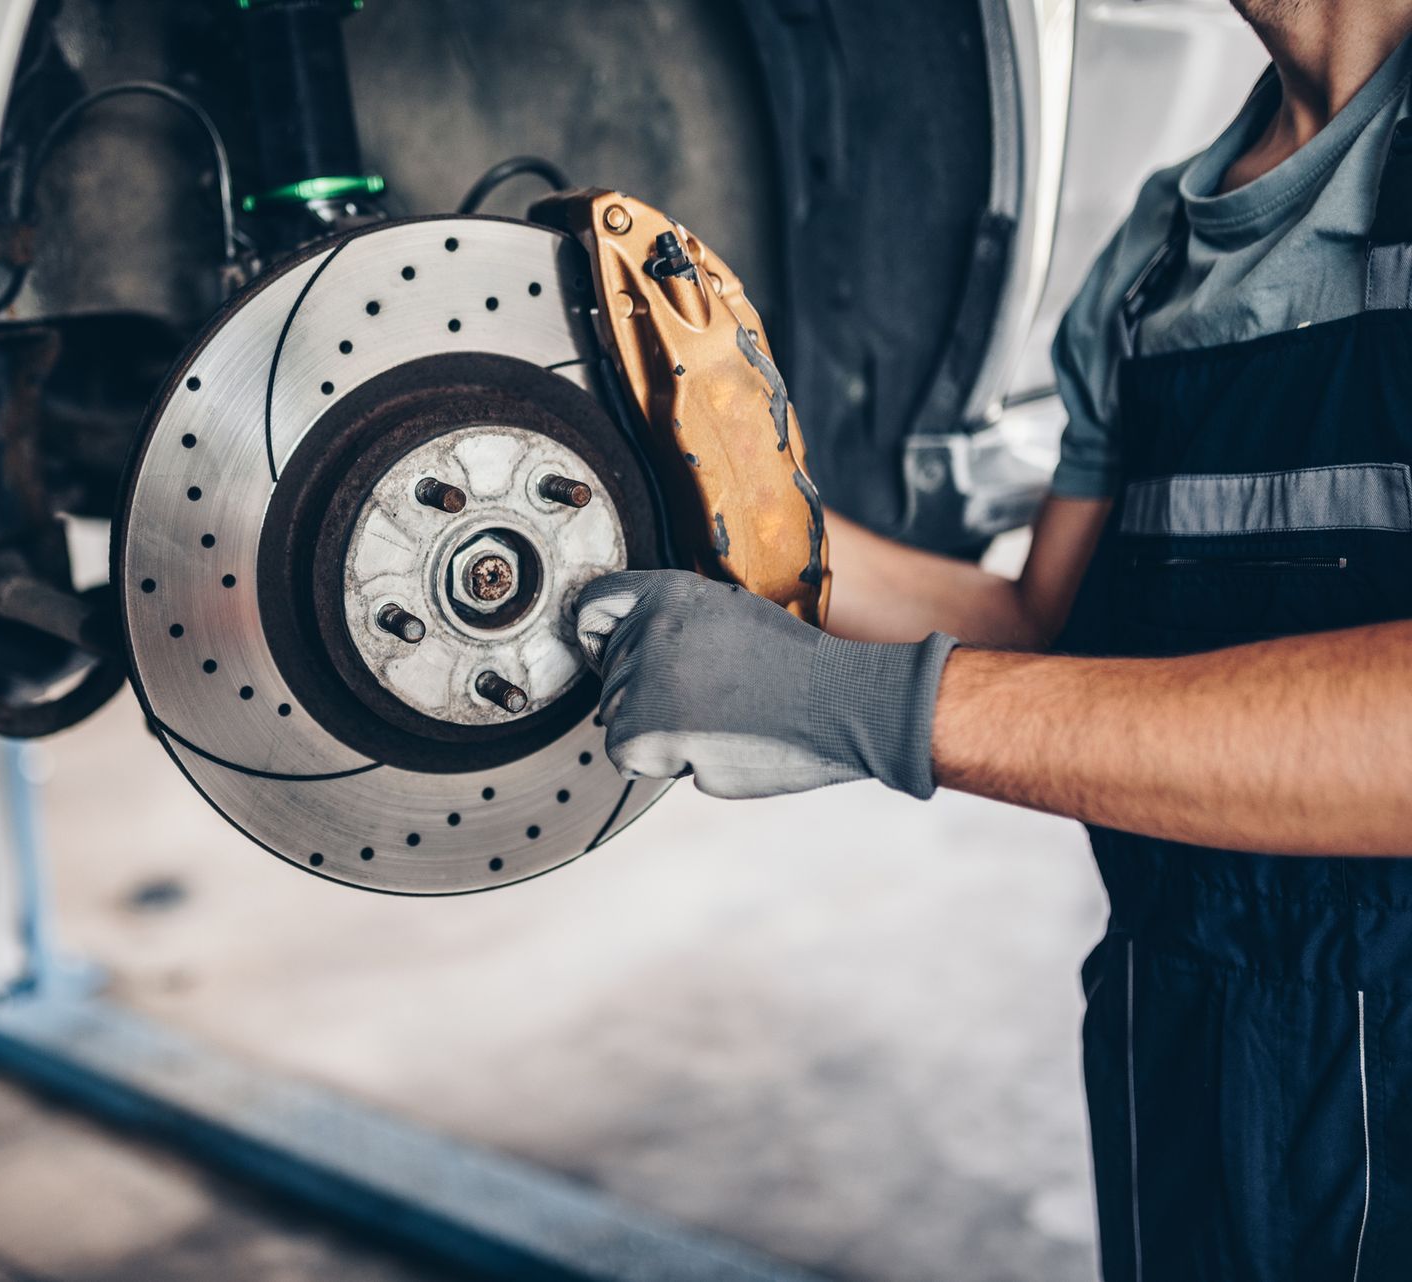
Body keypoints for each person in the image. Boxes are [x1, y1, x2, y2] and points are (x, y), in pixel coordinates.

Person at [573, 2, 1412, 1278]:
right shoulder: (1156, 255)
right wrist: (719, 501)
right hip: (1175, 1017)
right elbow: (1044, 627)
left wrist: (855, 701)